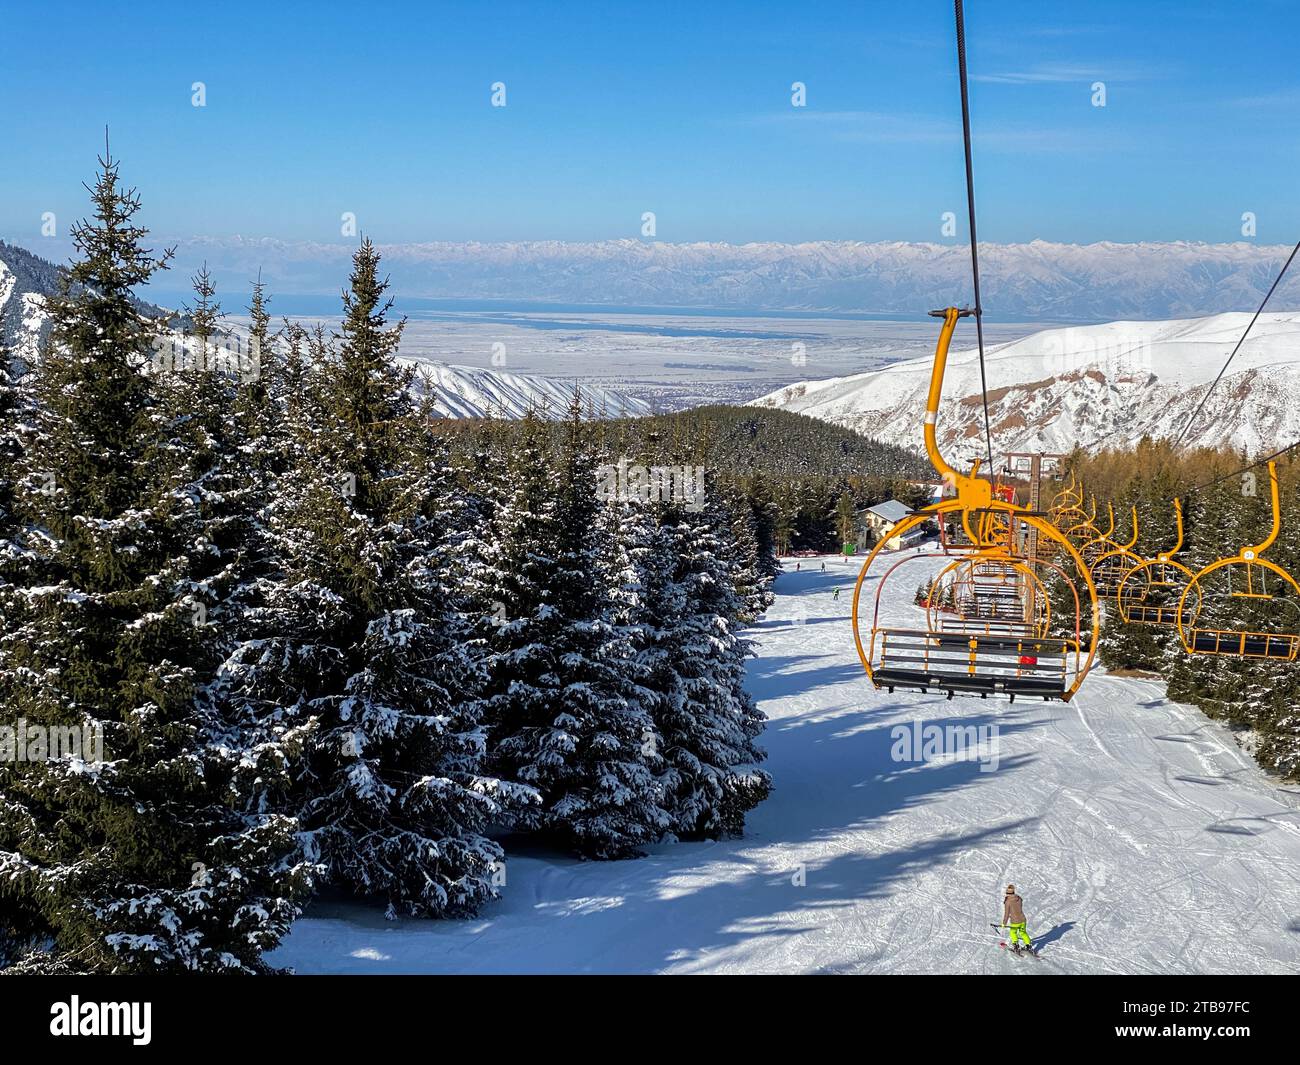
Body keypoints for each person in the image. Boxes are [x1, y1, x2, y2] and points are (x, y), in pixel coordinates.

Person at [1003, 884, 1035, 955]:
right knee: (1023, 933)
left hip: (1015, 921)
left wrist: (1004, 923)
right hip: (1023, 920)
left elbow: (1006, 914)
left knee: (1013, 932)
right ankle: (1029, 946)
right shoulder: (1019, 898)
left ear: (1007, 893)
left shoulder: (1007, 902)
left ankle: (1016, 947)